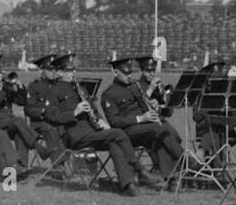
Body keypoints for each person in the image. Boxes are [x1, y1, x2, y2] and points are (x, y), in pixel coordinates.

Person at [44, 52, 160, 195]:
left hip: (92, 132)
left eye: (74, 70)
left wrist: (99, 119)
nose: (73, 73)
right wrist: (74, 113)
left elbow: (94, 109)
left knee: (114, 143)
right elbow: (51, 116)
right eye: (69, 70)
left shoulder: (80, 88)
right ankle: (139, 170)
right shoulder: (53, 92)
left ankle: (128, 185)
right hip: (75, 136)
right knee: (118, 133)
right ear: (59, 72)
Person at [100, 55, 181, 179]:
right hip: (128, 131)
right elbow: (115, 122)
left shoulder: (134, 87)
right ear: (115, 72)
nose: (129, 76)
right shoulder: (109, 94)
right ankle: (185, 160)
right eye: (125, 73)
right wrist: (141, 118)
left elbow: (145, 104)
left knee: (161, 135)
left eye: (130, 73)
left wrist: (156, 106)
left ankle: (170, 179)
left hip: (145, 129)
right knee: (159, 129)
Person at [0, 54, 41, 167]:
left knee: (20, 133)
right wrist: (0, 89)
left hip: (7, 122)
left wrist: (19, 87)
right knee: (18, 121)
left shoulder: (6, 84)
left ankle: (22, 167)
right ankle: (38, 146)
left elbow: (21, 102)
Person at [193, 60, 236, 160]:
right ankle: (214, 162)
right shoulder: (202, 92)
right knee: (214, 131)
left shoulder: (227, 92)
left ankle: (204, 153)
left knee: (220, 131)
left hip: (224, 128)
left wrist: (229, 108)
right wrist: (211, 105)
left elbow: (235, 121)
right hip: (205, 128)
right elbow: (196, 116)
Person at [23, 53, 64, 160]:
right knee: (51, 130)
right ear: (41, 70)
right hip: (40, 122)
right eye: (50, 69)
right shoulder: (34, 86)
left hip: (59, 120)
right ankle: (58, 166)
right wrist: (43, 111)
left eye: (55, 69)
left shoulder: (60, 84)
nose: (53, 72)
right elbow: (29, 109)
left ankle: (83, 162)